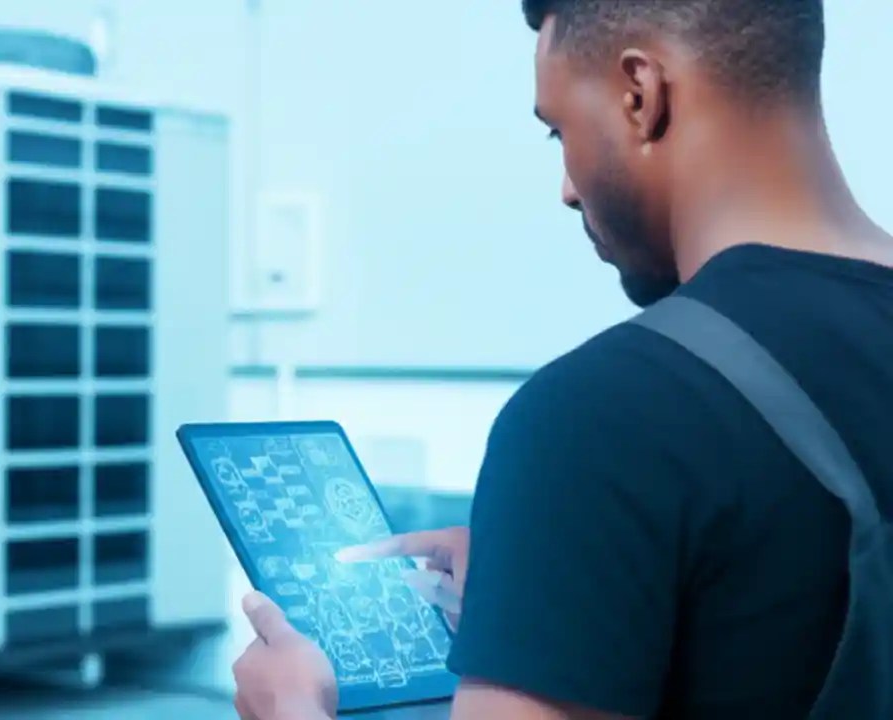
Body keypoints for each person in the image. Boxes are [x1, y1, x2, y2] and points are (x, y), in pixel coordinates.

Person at [230, 1, 893, 718]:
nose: (568, 188)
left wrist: (293, 710)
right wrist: (555, 582)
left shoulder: (597, 419)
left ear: (641, 95)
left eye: (560, 131)